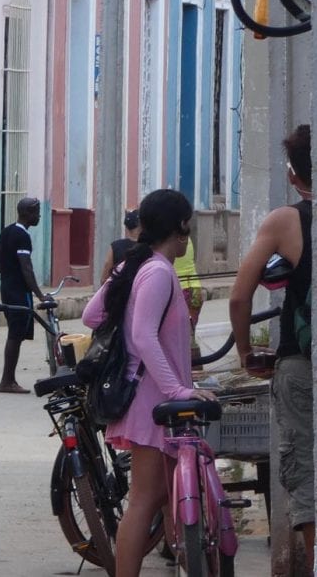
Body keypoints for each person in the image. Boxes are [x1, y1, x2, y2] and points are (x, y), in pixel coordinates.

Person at [82, 189, 217, 577]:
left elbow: (93, 315)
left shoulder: (133, 265)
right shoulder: (157, 271)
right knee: (144, 500)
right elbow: (143, 336)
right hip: (153, 400)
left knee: (159, 494)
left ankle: (183, 559)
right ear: (182, 228)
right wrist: (177, 389)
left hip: (146, 397)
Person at [228, 124, 314, 570]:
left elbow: (241, 297)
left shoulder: (286, 220)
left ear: (295, 176)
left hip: (301, 365)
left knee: (306, 476)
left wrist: (246, 353)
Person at [0, 197, 47, 393]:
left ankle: (8, 379)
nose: (39, 216)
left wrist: (7, 276)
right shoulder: (22, 236)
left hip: (7, 288)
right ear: (27, 213)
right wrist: (40, 295)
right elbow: (26, 268)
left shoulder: (7, 231)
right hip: (19, 292)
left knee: (15, 333)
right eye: (36, 212)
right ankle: (7, 381)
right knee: (15, 335)